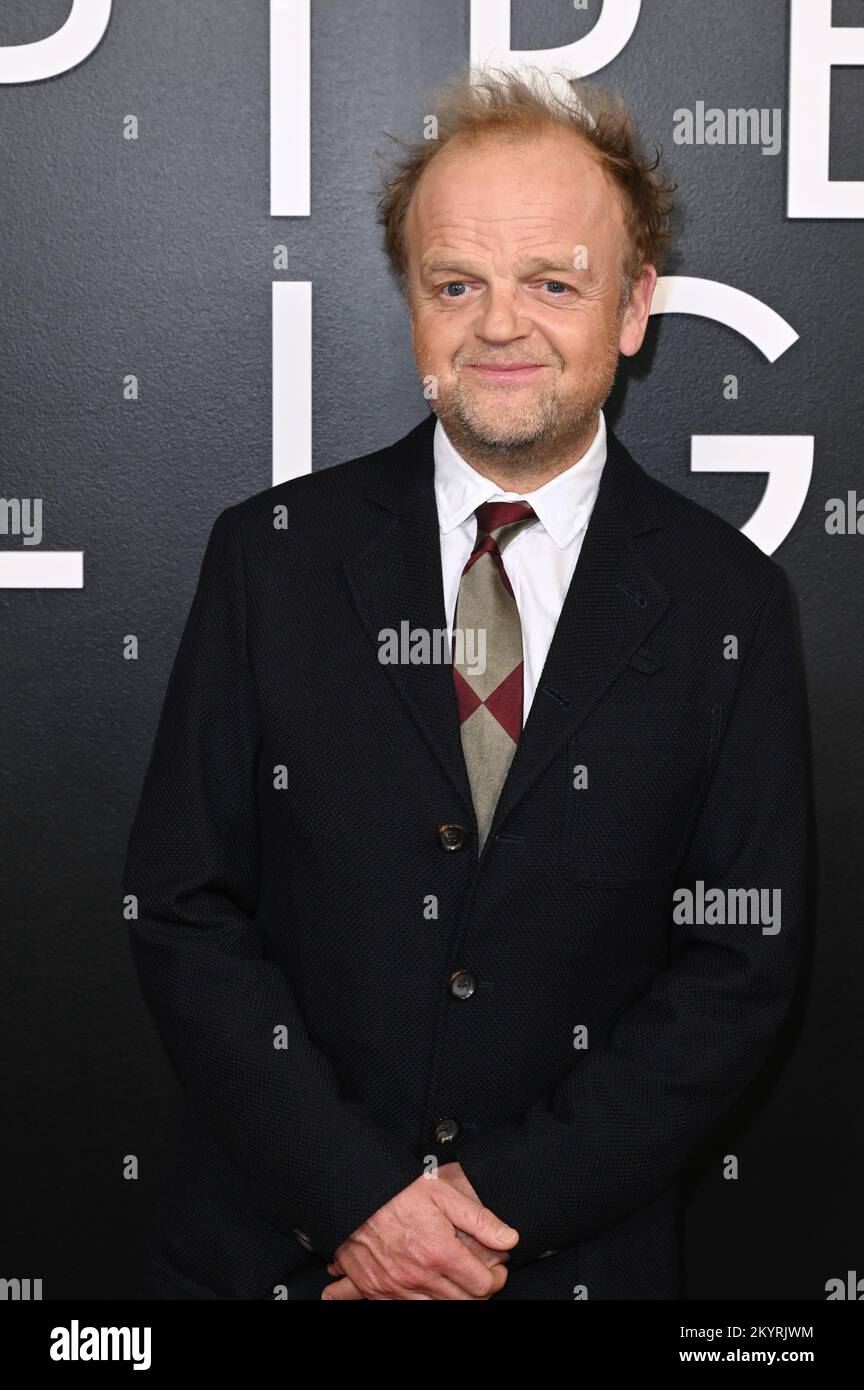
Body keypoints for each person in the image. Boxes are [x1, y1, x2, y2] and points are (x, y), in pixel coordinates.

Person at [123, 67, 812, 1300]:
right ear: (413, 307)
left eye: (553, 281)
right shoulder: (266, 561)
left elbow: (735, 973)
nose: (500, 325)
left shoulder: (732, 607)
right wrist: (353, 1202)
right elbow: (181, 910)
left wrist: (474, 1223)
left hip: (566, 1266)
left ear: (635, 304)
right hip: (271, 1258)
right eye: (457, 284)